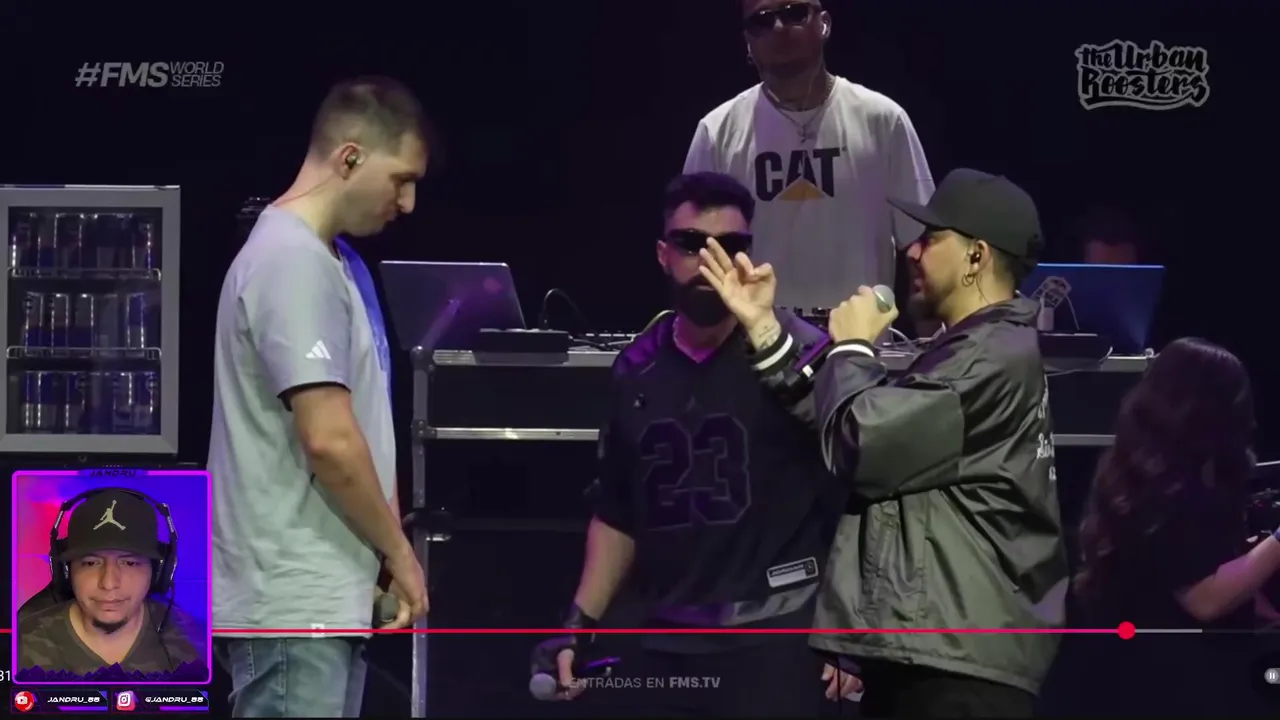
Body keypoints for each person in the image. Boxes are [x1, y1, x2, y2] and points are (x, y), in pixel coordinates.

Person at [697, 168, 1069, 717]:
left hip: (957, 665)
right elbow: (847, 418)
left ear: (976, 255)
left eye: (931, 238)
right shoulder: (970, 351)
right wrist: (764, 328)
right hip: (934, 653)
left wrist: (853, 348)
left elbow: (862, 439)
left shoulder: (986, 358)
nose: (911, 251)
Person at [531, 172, 856, 718]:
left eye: (730, 245)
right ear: (663, 255)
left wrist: (853, 630)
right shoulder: (636, 368)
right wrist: (578, 625)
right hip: (668, 635)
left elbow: (856, 489)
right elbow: (617, 511)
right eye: (691, 244)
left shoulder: (796, 354)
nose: (711, 260)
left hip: (779, 633)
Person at [207, 76, 431, 718]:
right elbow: (329, 440)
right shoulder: (292, 261)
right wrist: (400, 553)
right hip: (291, 606)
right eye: (401, 179)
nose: (408, 203)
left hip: (312, 603)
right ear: (350, 158)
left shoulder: (325, 261)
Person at [1065, 337, 1278, 716]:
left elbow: (1212, 566)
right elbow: (1205, 598)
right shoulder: (1165, 491)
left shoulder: (1158, 477)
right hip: (1170, 683)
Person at [683, 0, 934, 311]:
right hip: (754, 337)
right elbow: (692, 255)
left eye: (794, 13)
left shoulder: (883, 121)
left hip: (860, 338)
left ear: (824, 23)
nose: (779, 28)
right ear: (747, 41)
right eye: (762, 21)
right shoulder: (717, 133)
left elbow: (922, 247)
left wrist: (933, 338)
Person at [17, 489, 206, 680]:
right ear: (65, 571)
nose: (109, 584)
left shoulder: (196, 644)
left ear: (159, 572)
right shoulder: (20, 643)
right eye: (90, 563)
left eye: (130, 563)